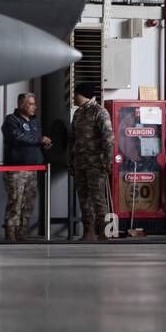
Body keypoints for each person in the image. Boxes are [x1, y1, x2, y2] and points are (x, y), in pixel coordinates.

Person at [0, 92, 50, 242]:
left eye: (34, 104)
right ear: (22, 105)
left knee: (28, 203)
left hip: (33, 169)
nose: (34, 107)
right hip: (16, 169)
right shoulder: (11, 120)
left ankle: (22, 232)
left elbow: (35, 143)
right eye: (31, 104)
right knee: (15, 201)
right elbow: (16, 137)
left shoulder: (34, 123)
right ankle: (10, 233)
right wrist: (39, 140)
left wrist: (45, 144)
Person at [69, 83, 114, 242]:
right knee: (83, 199)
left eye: (76, 94)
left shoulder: (100, 112)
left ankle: (103, 232)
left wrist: (107, 162)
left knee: (98, 199)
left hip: (96, 164)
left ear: (83, 95)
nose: (74, 97)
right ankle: (88, 231)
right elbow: (73, 140)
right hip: (80, 163)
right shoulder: (78, 113)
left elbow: (108, 139)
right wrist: (71, 163)